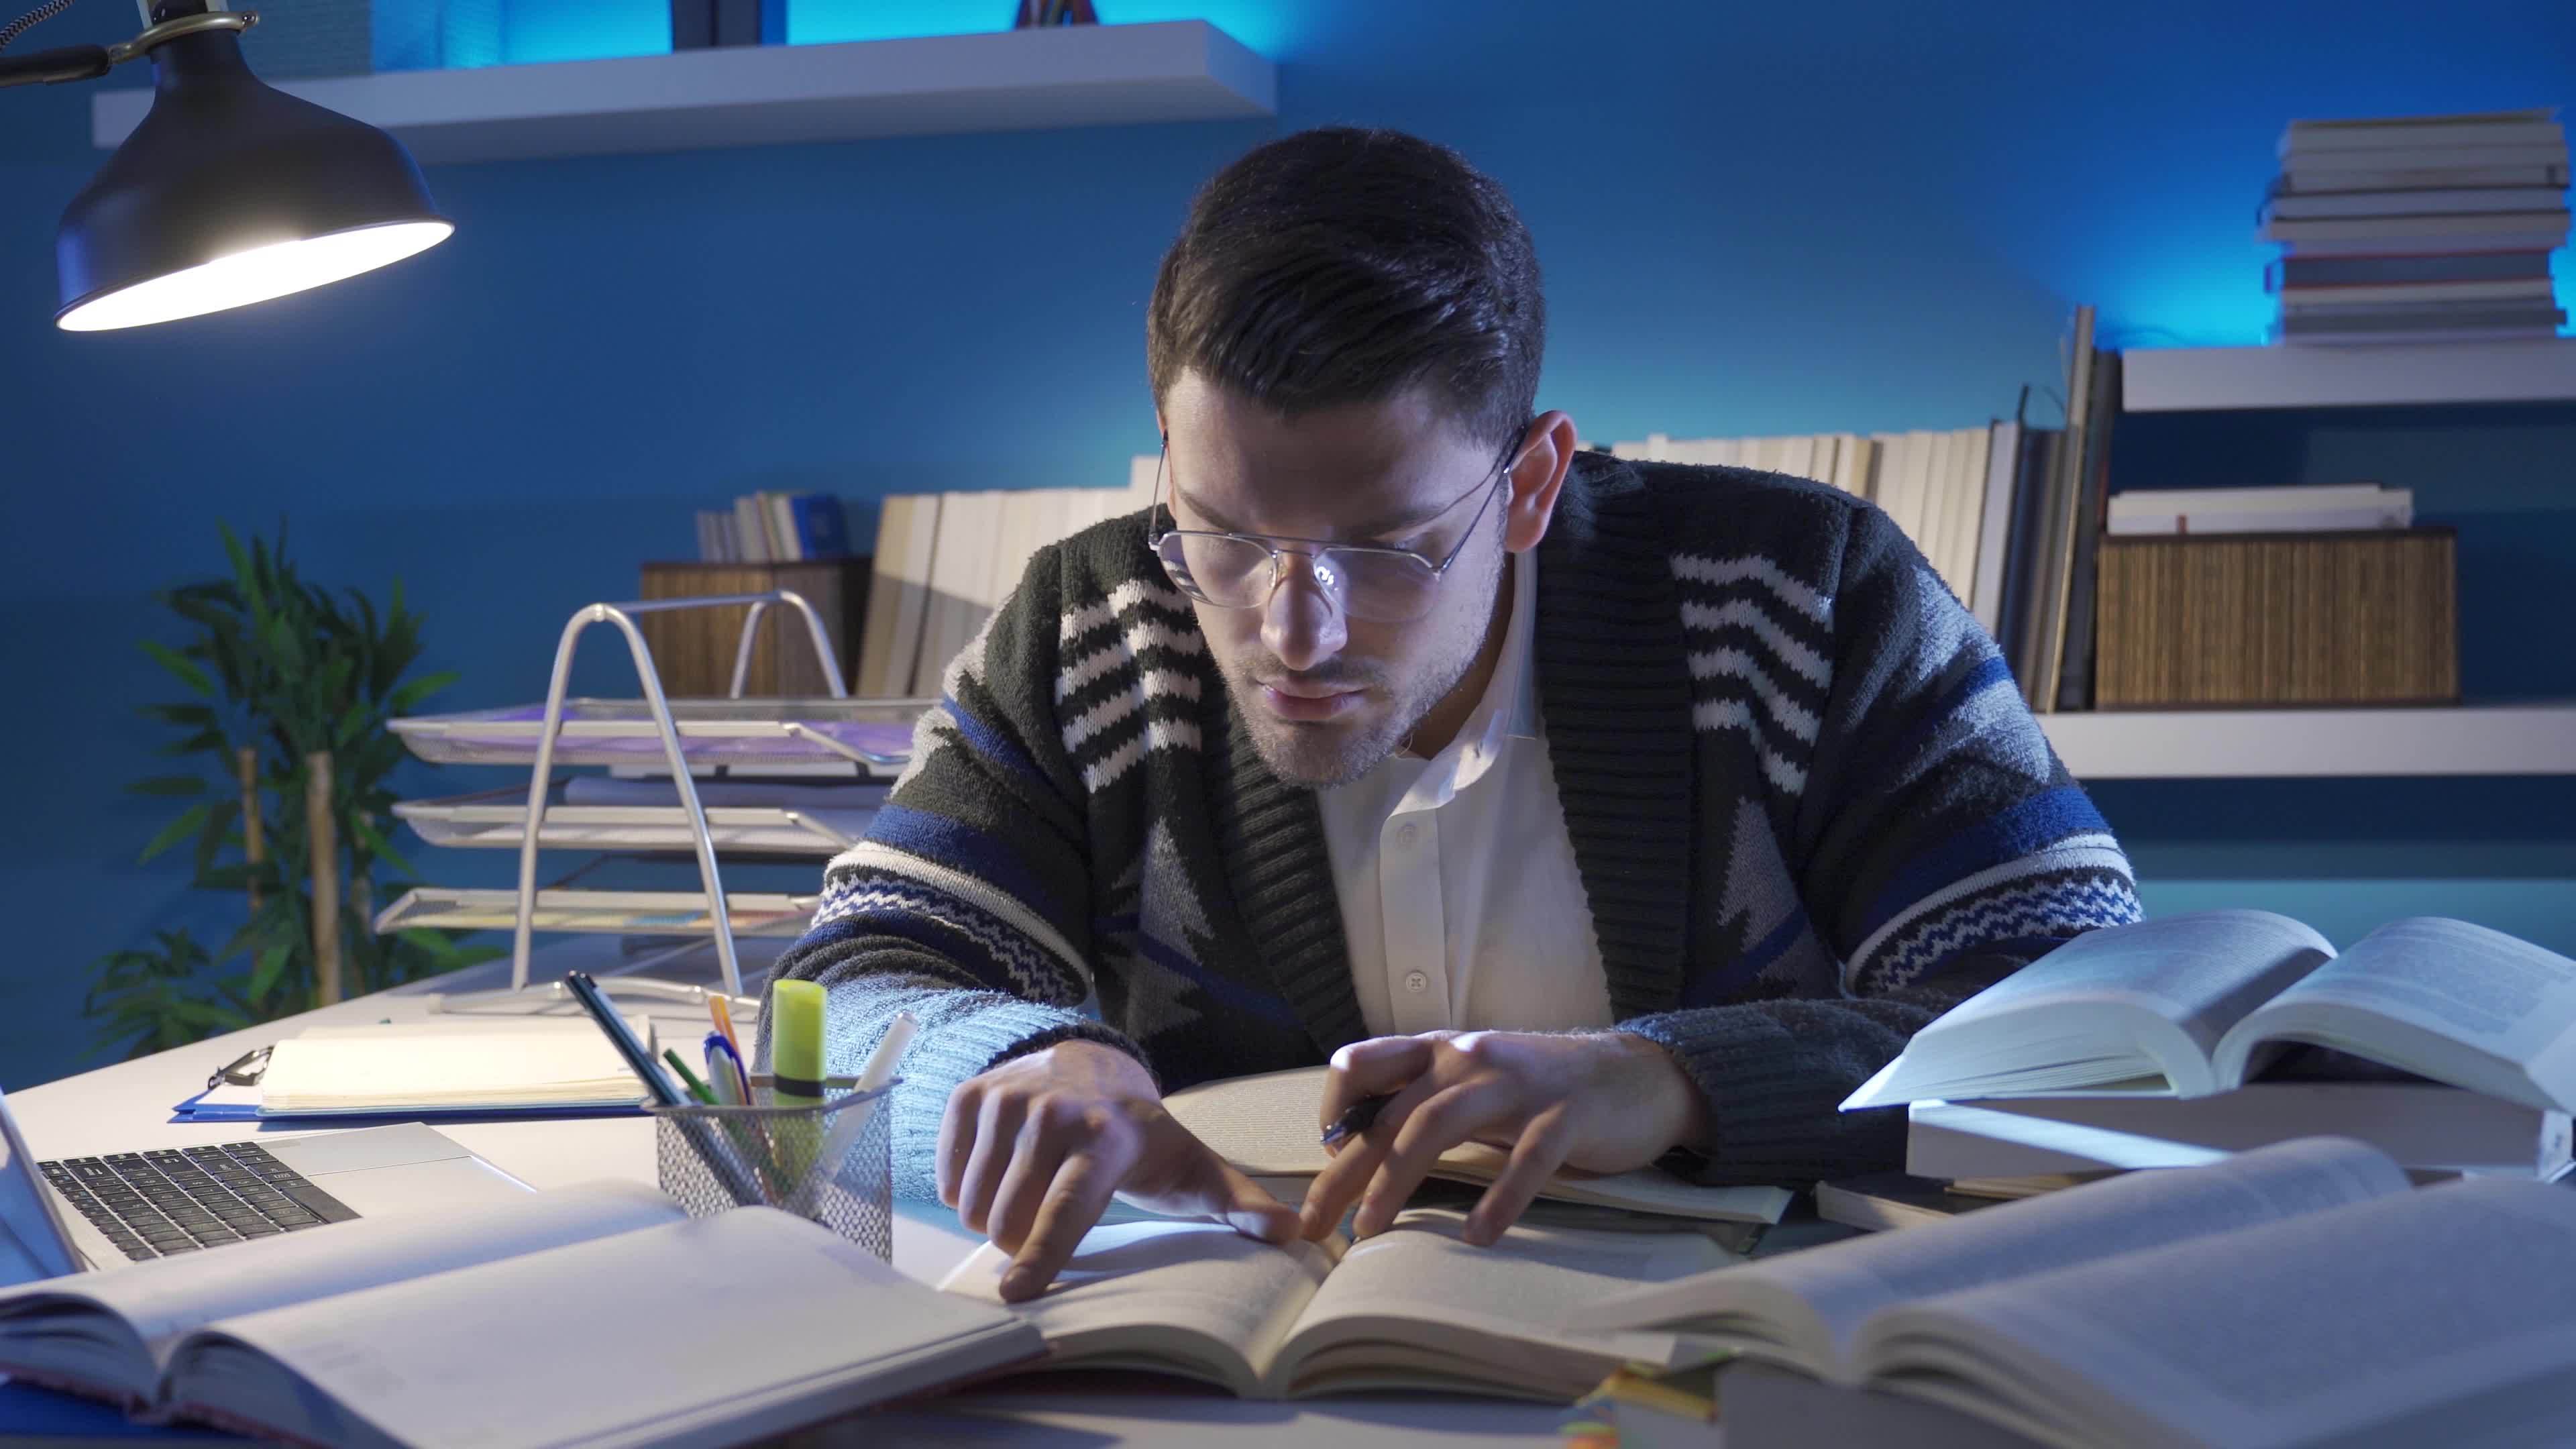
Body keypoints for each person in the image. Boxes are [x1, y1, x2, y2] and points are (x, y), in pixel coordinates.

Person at [765, 126, 2141, 1301]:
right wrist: (1016, 1060)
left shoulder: (1803, 596)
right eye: (1223, 535)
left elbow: (2092, 1016)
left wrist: (1677, 1085)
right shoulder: (1097, 623)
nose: (1288, 631)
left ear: (1533, 482)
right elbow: (841, 995)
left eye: (1382, 549)